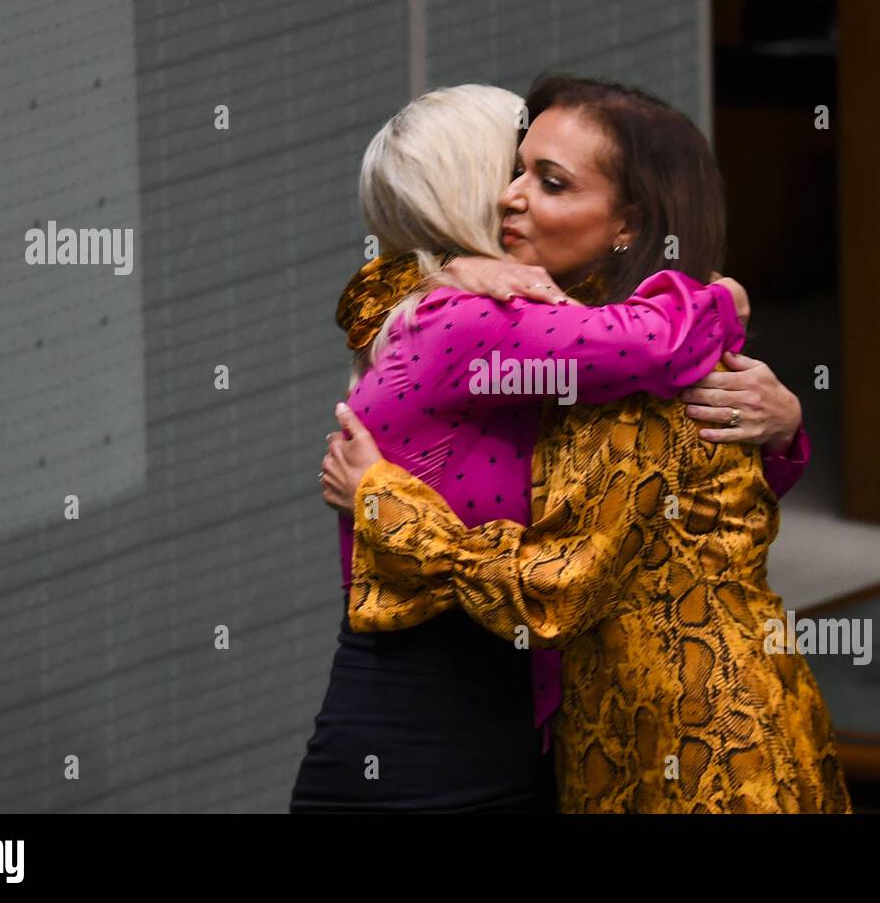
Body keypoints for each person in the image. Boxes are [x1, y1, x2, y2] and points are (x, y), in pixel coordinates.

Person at [322, 75, 851, 813]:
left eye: (547, 180)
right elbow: (376, 301)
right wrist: (442, 270)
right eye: (511, 171)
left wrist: (382, 502)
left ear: (628, 222)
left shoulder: (625, 359)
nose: (511, 196)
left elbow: (565, 587)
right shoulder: (544, 325)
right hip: (565, 729)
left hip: (692, 746)